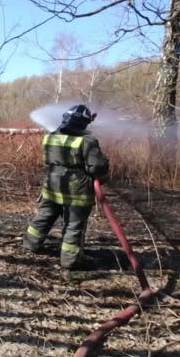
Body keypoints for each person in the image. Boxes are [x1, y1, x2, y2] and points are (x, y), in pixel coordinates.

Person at [23, 104, 109, 278]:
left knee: (44, 215)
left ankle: (30, 244)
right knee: (74, 225)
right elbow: (97, 167)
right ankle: (70, 262)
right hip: (77, 191)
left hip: (51, 185)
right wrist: (105, 168)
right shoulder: (87, 141)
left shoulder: (50, 136)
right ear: (83, 123)